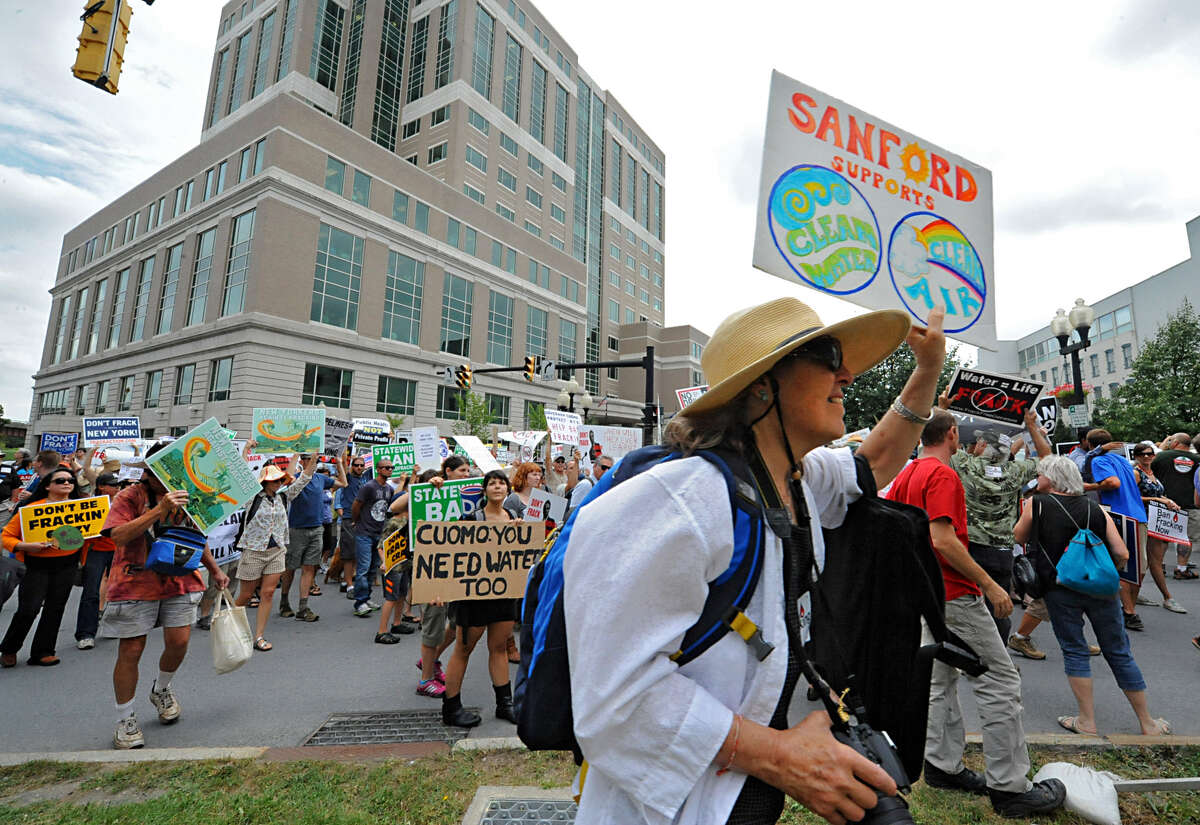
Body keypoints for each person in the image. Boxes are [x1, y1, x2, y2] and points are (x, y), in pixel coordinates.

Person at [563, 297, 959, 825]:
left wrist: (928, 370)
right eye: (827, 356)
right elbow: (614, 701)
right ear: (761, 386)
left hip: (740, 804)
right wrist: (781, 757)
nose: (846, 374)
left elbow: (875, 462)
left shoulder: (796, 478)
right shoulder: (673, 502)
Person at [887, 410, 1065, 817]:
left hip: (924, 593)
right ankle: (1010, 787)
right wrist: (989, 584)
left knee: (940, 680)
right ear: (952, 434)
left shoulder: (907, 474)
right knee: (999, 681)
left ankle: (941, 765)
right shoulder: (943, 474)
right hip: (953, 593)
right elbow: (942, 539)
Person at [1013, 455, 1170, 736]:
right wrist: (1103, 570)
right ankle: (1147, 722)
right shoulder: (1095, 508)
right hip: (1100, 588)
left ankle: (1086, 721)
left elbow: (1018, 537)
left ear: (1051, 478)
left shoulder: (1037, 504)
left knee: (1074, 650)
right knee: (1119, 652)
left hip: (1059, 587)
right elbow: (1122, 552)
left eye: (1040, 475)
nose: (1037, 479)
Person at [99, 442, 230, 749]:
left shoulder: (191, 496)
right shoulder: (130, 495)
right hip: (135, 580)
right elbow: (117, 536)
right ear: (151, 471)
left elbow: (196, 536)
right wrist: (159, 510)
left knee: (179, 642)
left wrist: (215, 569)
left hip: (179, 578)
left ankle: (161, 688)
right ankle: (125, 719)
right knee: (132, 649)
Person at [941, 404, 1052, 644]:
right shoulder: (1015, 471)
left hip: (969, 547)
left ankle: (966, 649)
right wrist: (1031, 427)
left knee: (965, 604)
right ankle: (996, 649)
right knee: (998, 605)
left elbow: (940, 442)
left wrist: (944, 409)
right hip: (1001, 550)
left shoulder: (966, 465)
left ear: (982, 446)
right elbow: (1047, 459)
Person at [441, 469, 521, 728]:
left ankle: (505, 704)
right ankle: (451, 707)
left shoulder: (514, 517)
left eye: (501, 483)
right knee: (463, 649)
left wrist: (519, 534)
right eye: (492, 483)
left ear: (507, 489)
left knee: (499, 647)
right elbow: (451, 553)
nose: (497, 487)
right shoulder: (471, 519)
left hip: (503, 593)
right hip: (473, 597)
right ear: (484, 490)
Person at [1, 468, 87, 666]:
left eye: (70, 480)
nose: (67, 483)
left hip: (68, 564)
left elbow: (92, 535)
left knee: (55, 608)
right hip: (37, 565)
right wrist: (25, 546)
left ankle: (43, 651)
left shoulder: (82, 509)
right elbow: (6, 536)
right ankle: (10, 648)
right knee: (28, 609)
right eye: (60, 480)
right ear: (48, 486)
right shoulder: (31, 510)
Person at [233, 454, 316, 651]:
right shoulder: (251, 498)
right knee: (245, 595)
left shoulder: (284, 496)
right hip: (254, 550)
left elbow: (304, 478)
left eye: (280, 480)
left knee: (268, 593)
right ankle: (231, 629)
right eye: (274, 480)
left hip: (277, 550)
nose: (279, 483)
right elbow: (240, 475)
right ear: (265, 482)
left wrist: (313, 458)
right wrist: (246, 449)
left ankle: (258, 636)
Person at [1082, 428, 1147, 631]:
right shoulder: (1122, 461)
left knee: (1122, 562)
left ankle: (1128, 611)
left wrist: (1089, 487)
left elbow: (1112, 482)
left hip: (1119, 516)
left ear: (1089, 444)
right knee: (1138, 567)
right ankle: (1130, 608)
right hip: (1138, 514)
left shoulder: (1098, 460)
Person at [278, 454, 346, 622]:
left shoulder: (320, 478)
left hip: (316, 528)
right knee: (290, 568)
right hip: (296, 529)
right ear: (302, 461)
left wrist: (339, 464)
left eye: (315, 458)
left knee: (309, 567)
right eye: (309, 458)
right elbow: (287, 478)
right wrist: (296, 455)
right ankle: (284, 601)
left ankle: (303, 607)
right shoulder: (296, 478)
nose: (314, 461)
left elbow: (343, 483)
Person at [1131, 441, 1186, 613]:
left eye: (1150, 453)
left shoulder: (1151, 473)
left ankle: (1134, 594)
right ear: (1136, 456)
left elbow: (1157, 493)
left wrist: (1169, 501)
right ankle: (1167, 597)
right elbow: (1132, 497)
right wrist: (1157, 499)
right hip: (1145, 520)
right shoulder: (1136, 473)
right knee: (1154, 560)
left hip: (1158, 520)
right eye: (1142, 454)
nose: (1147, 456)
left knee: (1148, 561)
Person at [74, 472, 122, 649]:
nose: (117, 487)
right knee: (91, 592)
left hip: (118, 549)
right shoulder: (88, 505)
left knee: (119, 591)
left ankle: (113, 627)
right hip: (95, 551)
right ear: (101, 487)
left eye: (118, 484)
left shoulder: (122, 503)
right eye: (113, 485)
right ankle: (86, 634)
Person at [1150, 432, 1199, 580]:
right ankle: (1181, 569)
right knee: (1186, 538)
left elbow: (1148, 473)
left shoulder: (1161, 457)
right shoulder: (1197, 459)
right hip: (1189, 503)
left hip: (1165, 502)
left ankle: (1160, 566)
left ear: (1176, 443)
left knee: (1163, 536)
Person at [350, 456, 394, 617]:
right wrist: (356, 521)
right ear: (378, 469)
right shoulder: (369, 487)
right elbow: (356, 505)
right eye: (387, 468)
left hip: (379, 534)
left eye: (391, 468)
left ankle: (366, 598)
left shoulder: (389, 489)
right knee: (363, 568)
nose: (390, 470)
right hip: (364, 532)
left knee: (372, 569)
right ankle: (360, 602)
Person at [330, 453, 368, 591]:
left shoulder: (365, 480)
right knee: (348, 554)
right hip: (349, 519)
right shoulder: (348, 478)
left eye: (361, 465)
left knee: (359, 553)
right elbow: (343, 468)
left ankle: (349, 580)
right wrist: (342, 457)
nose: (359, 467)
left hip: (363, 520)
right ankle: (349, 584)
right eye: (356, 465)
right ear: (352, 466)